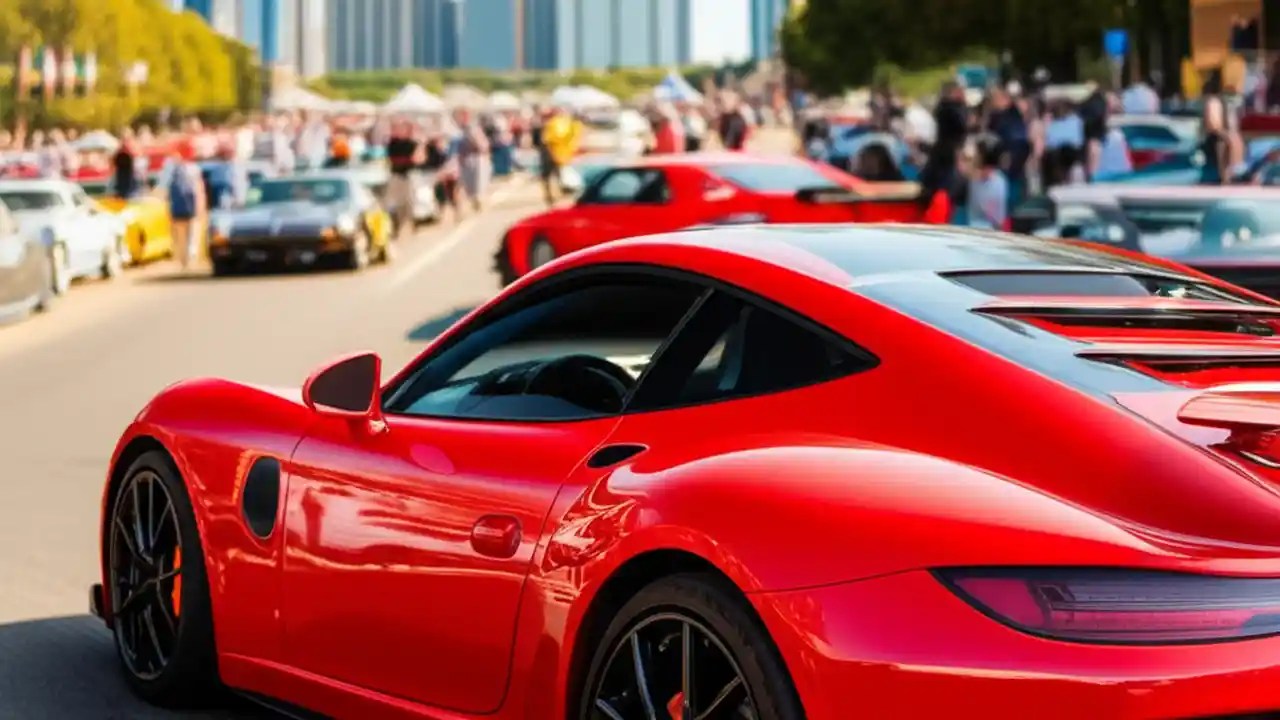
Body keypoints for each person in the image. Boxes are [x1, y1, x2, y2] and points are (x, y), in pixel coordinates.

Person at [164, 141, 206, 271]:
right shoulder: (194, 168)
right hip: (191, 206)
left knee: (180, 235)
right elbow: (199, 189)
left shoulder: (171, 170)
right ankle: (191, 257)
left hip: (177, 207)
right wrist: (201, 205)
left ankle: (183, 260)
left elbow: (164, 189)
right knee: (193, 232)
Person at [386, 120, 422, 238]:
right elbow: (391, 159)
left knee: (408, 202)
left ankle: (410, 224)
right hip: (396, 176)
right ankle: (399, 226)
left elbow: (418, 159)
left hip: (407, 175)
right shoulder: (392, 143)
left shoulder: (412, 144)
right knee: (396, 203)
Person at [540, 105, 581, 207]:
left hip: (555, 152)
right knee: (555, 175)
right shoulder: (568, 123)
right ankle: (554, 195)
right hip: (560, 153)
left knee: (552, 176)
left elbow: (546, 140)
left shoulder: (554, 123)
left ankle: (552, 195)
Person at [966, 135, 1010, 230]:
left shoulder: (999, 182)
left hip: (989, 230)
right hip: (970, 227)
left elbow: (998, 219)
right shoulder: (971, 178)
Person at [455, 110, 492, 212]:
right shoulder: (459, 130)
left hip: (475, 158)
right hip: (466, 159)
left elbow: (483, 145)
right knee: (468, 184)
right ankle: (474, 202)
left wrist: (484, 153)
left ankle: (478, 202)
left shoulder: (473, 129)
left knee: (477, 182)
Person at [1200, 95, 1232, 185]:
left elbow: (1224, 168)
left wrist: (1224, 182)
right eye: (1208, 111)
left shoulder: (1220, 139)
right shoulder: (1207, 136)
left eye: (1213, 112)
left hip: (1213, 183)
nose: (1209, 115)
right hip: (1206, 180)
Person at [111, 130, 140, 199]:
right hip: (124, 187)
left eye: (127, 139)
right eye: (124, 139)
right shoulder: (120, 153)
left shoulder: (132, 151)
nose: (125, 141)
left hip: (131, 187)